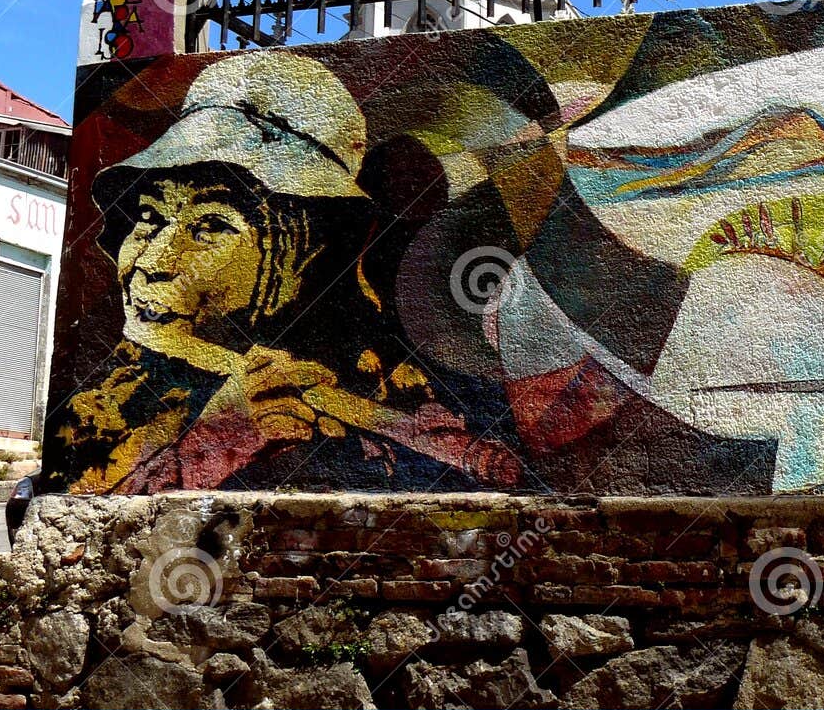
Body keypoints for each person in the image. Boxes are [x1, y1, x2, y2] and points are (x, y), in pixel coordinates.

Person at [46, 51, 522, 494]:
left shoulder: (391, 381)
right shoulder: (106, 401)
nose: (153, 262)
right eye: (149, 219)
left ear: (308, 250)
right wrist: (212, 445)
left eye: (211, 226)